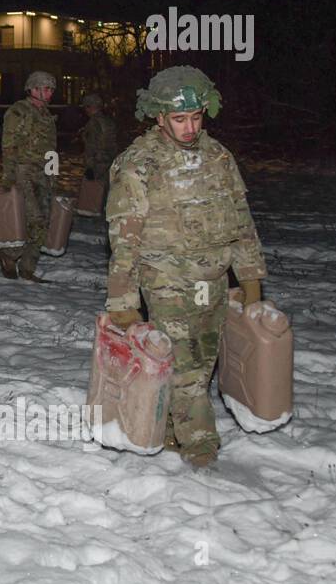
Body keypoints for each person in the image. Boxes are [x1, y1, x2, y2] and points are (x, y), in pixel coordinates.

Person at [105, 66, 267, 468]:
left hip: (212, 277)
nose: (190, 127)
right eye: (179, 119)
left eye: (196, 117)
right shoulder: (139, 164)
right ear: (159, 116)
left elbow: (241, 220)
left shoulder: (217, 156)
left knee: (203, 358)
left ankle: (169, 430)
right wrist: (123, 300)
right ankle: (201, 446)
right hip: (167, 278)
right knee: (187, 368)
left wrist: (250, 278)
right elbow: (124, 238)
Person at [0, 71, 57, 282]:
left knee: (44, 220)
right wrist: (9, 177)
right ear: (33, 89)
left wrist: (53, 175)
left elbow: (51, 149)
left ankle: (27, 268)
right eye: (46, 89)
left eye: (51, 89)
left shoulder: (45, 114)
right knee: (33, 219)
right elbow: (9, 146)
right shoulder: (18, 111)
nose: (49, 93)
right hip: (23, 171)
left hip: (43, 173)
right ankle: (9, 255)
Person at [78, 92, 118, 185]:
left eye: (86, 107)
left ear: (89, 107)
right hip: (109, 162)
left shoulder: (94, 123)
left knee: (94, 190)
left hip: (98, 165)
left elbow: (92, 146)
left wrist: (90, 167)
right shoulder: (108, 121)